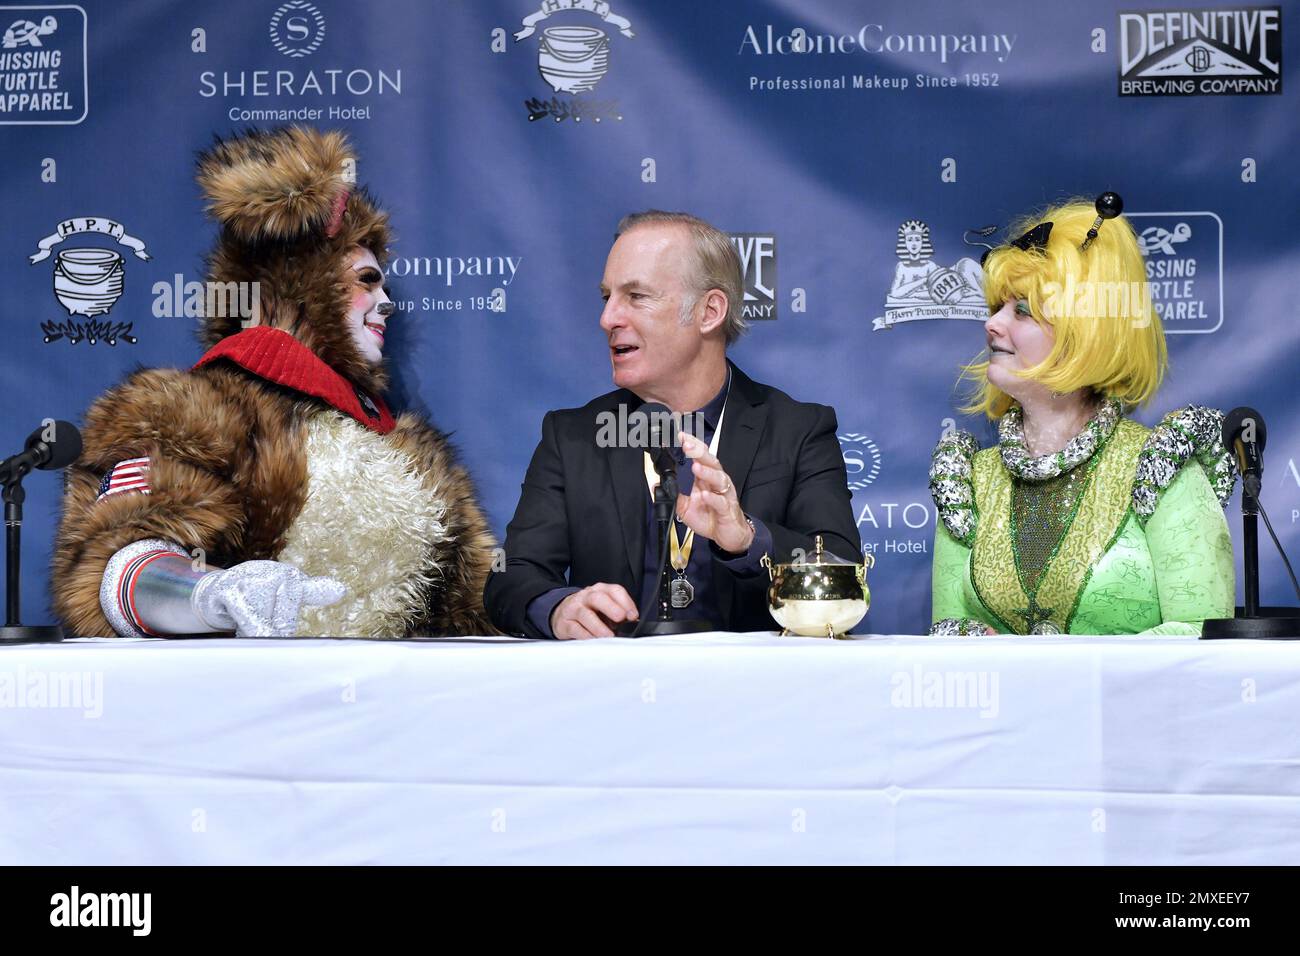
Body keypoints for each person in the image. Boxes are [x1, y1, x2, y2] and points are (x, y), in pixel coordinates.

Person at [52, 126, 496, 638]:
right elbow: (119, 561)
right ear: (300, 287)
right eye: (366, 280)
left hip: (392, 707)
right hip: (248, 703)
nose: (387, 301)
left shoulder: (412, 450)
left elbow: (475, 608)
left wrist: (549, 604)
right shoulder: (191, 407)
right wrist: (208, 595)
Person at [485, 210, 859, 638]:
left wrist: (747, 539)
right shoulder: (572, 437)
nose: (607, 319)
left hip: (755, 696)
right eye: (607, 297)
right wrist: (558, 609)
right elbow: (510, 574)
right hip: (613, 695)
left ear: (709, 311)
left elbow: (840, 568)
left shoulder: (798, 430)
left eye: (636, 296)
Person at [929, 194, 1236, 636]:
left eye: (1022, 310)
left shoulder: (1160, 469)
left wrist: (1064, 674)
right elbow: (946, 636)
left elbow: (1201, 640)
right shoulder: (968, 481)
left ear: (1086, 334)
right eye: (996, 307)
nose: (992, 324)